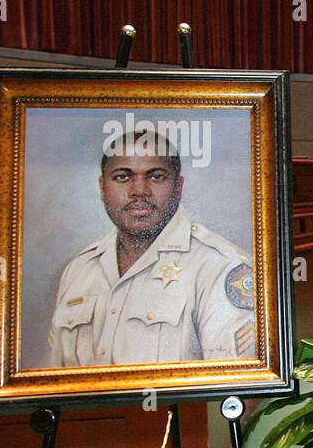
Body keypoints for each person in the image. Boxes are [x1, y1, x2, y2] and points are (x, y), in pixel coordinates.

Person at [47, 141, 256, 367]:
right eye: (122, 177)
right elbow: (53, 382)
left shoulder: (219, 267)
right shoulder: (79, 270)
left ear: (179, 187)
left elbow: (233, 386)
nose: (139, 191)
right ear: (101, 187)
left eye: (156, 176)